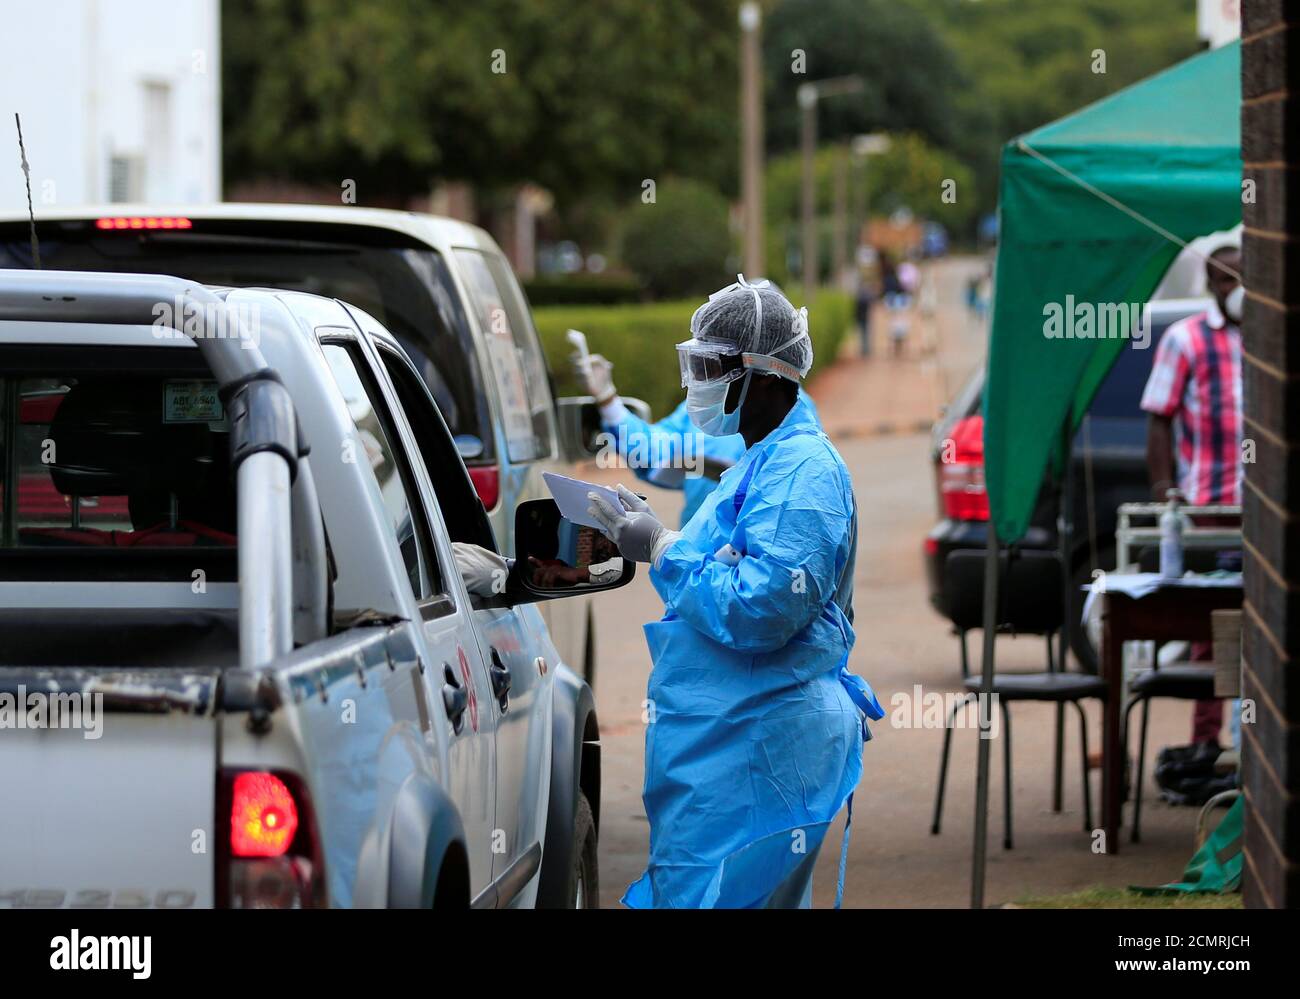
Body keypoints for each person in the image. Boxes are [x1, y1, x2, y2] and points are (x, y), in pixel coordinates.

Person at [586, 275, 883, 909]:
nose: (698, 382)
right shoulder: (760, 458)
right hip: (727, 742)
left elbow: (760, 608)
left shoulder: (805, 469)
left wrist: (662, 550)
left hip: (763, 744)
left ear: (769, 374)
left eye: (713, 366)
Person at [1140, 243, 1243, 747]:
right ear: (1209, 283)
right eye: (1226, 280)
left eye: (1245, 279)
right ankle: (1208, 744)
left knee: (1260, 628)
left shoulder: (1267, 338)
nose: (1237, 290)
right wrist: (1165, 490)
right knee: (1211, 630)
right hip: (1211, 511)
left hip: (1262, 514)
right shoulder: (1186, 340)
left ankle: (1256, 747)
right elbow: (1159, 417)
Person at [573, 339, 822, 528]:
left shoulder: (796, 415)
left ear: (764, 365)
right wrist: (608, 403)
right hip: (696, 549)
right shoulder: (707, 405)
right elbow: (653, 449)